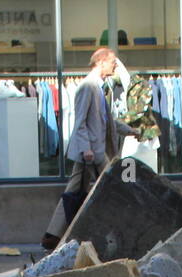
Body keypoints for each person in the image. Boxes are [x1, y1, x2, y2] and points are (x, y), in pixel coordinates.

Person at [41, 47, 124, 250]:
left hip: (92, 151)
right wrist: (87, 149)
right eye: (113, 61)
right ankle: (108, 232)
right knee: (109, 188)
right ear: (101, 62)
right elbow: (80, 122)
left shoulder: (97, 86)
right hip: (91, 152)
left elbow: (107, 121)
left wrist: (132, 130)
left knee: (74, 191)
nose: (116, 64)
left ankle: (52, 235)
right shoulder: (88, 87)